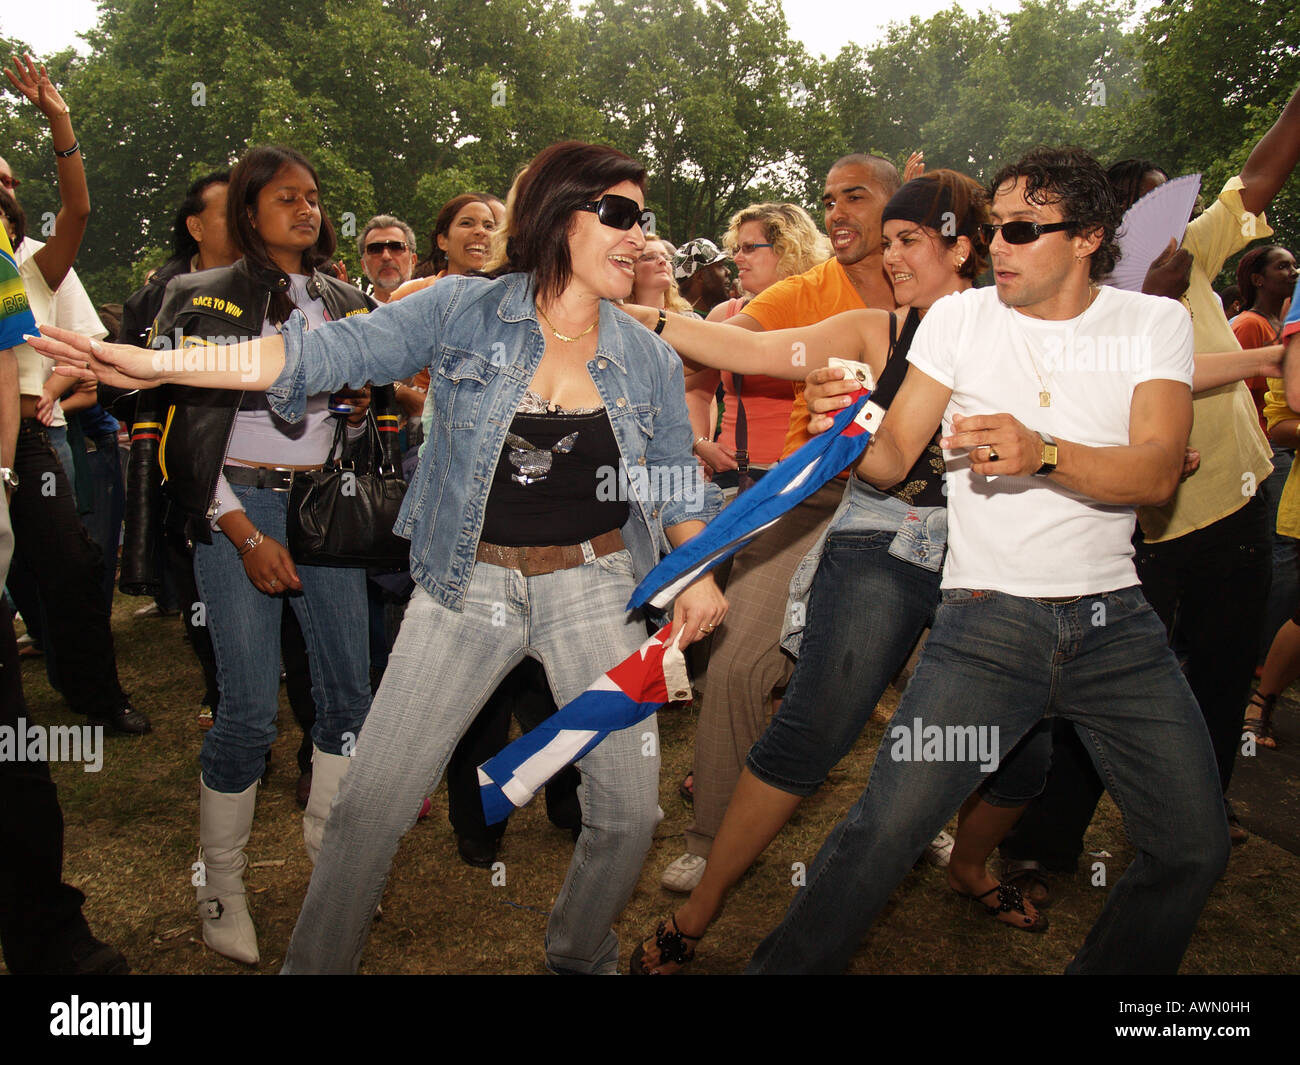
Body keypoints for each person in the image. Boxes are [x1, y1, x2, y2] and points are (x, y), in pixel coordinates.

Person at [32, 140, 728, 975]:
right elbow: (316, 356)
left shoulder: (646, 353)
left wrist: (699, 571)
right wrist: (156, 361)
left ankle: (581, 954)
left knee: (628, 814)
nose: (635, 234)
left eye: (640, 218)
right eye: (617, 213)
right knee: (370, 807)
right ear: (555, 214)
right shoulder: (462, 310)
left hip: (597, 586)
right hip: (464, 587)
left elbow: (677, 482)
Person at [744, 145, 1228, 974]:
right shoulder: (961, 319)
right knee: (882, 833)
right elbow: (893, 459)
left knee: (1193, 846)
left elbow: (1153, 472)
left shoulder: (1153, 324)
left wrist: (1044, 453)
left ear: (1088, 238)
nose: (995, 244)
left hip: (1116, 626)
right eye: (990, 228)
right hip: (986, 623)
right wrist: (847, 422)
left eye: (1019, 229)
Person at [625, 171, 1066, 972]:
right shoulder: (874, 327)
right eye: (887, 240)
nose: (892, 256)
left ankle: (969, 865)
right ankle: (698, 911)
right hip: (884, 537)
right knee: (813, 725)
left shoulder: (1025, 325)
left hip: (993, 548)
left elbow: (1127, 374)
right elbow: (749, 349)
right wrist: (633, 312)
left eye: (911, 241)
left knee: (1028, 747)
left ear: (963, 247)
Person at [131, 145, 381, 965]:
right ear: (248, 209)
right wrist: (242, 534)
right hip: (237, 505)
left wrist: (359, 400)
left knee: (349, 696)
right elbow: (185, 440)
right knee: (245, 710)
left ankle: (331, 865)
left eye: (313, 196)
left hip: (325, 507)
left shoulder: (347, 298)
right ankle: (221, 883)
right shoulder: (197, 295)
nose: (305, 210)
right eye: (285, 197)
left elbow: (358, 411)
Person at [654, 153, 901, 896]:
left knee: (935, 682)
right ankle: (710, 838)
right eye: (828, 199)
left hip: (918, 512)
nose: (837, 213)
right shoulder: (809, 293)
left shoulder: (955, 301)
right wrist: (624, 310)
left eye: (856, 196)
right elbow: (738, 345)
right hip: (807, 495)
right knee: (737, 665)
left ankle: (920, 812)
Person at [2, 54, 149, 736]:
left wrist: (58, 119)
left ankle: (98, 695)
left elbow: (79, 208)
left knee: (72, 564)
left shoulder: (31, 271)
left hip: (27, 441)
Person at [685, 203, 830, 493]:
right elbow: (696, 391)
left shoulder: (828, 315)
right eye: (737, 248)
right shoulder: (725, 314)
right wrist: (701, 445)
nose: (736, 258)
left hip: (810, 473)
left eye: (749, 248)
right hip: (736, 476)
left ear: (788, 248)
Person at [356, 214, 418, 305]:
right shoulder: (351, 316)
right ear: (363, 266)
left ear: (413, 260)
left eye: (396, 247)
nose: (386, 256)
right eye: (375, 249)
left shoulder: (438, 309)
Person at [628, 235, 695, 315]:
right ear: (630, 270)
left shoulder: (690, 319)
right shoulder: (615, 322)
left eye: (666, 258)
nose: (663, 261)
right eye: (650, 258)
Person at [673, 237, 732, 315]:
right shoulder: (680, 321)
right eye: (720, 266)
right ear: (700, 277)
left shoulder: (718, 316)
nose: (728, 272)